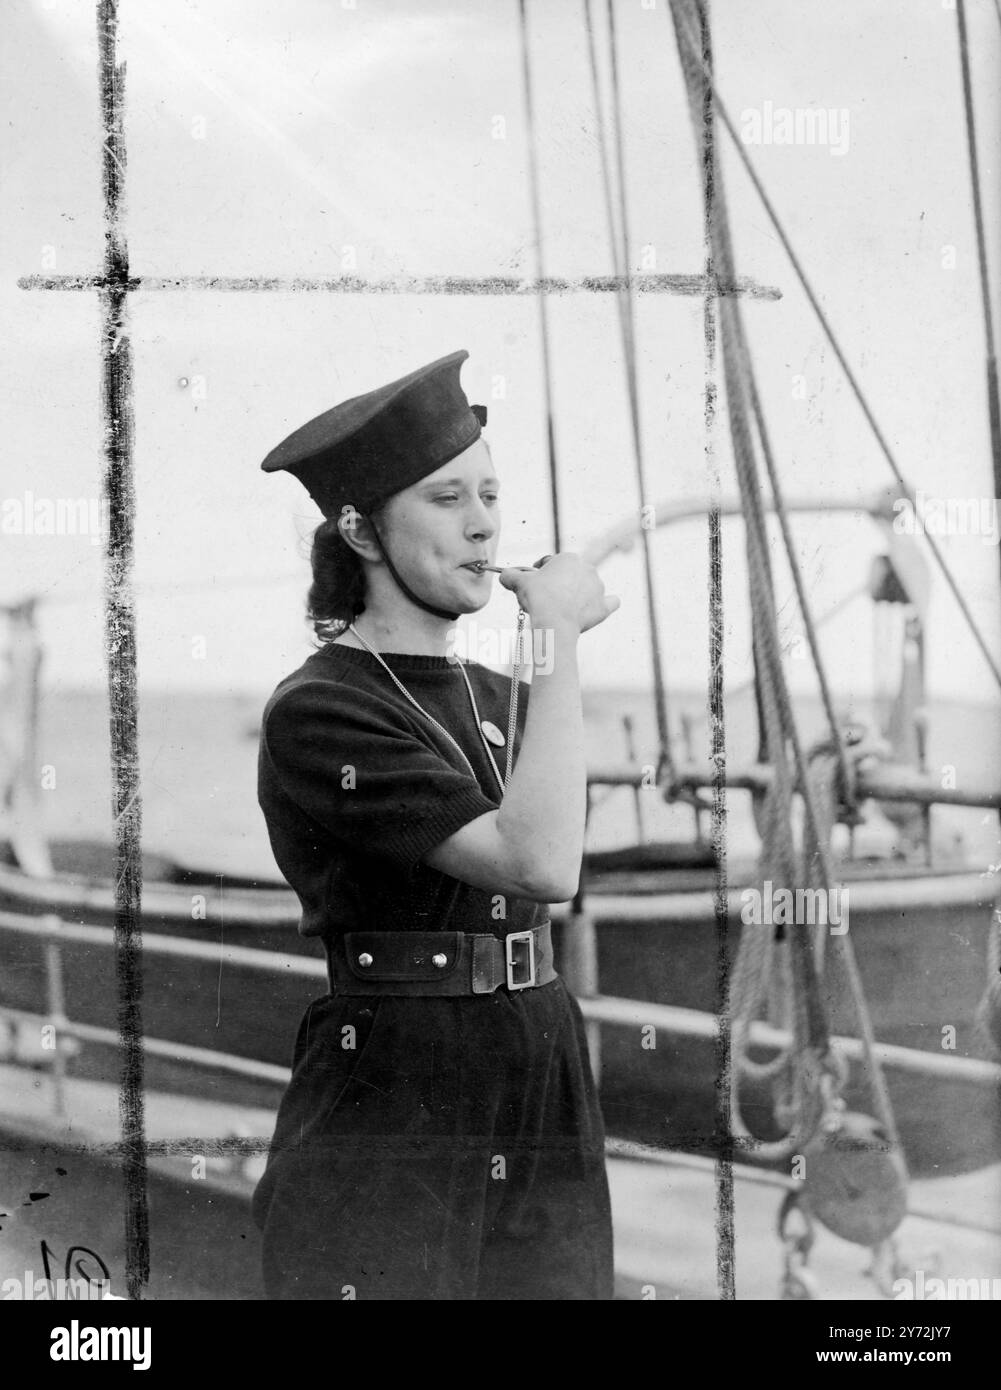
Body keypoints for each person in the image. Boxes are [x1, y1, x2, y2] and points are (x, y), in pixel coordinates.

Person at [251, 349, 620, 1300]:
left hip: (540, 1055)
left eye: (490, 495)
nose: (484, 523)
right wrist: (557, 643)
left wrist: (541, 666)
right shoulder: (321, 710)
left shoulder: (499, 693)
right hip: (396, 1079)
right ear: (360, 532)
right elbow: (538, 865)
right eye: (447, 498)